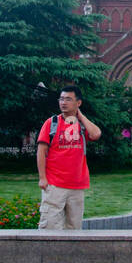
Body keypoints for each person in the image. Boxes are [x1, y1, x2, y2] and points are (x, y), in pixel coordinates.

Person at [37, 85, 102, 230]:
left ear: (78, 103)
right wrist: (42, 178)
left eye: (68, 99)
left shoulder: (82, 125)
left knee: (74, 230)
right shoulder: (51, 123)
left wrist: (80, 116)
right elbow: (41, 151)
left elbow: (96, 134)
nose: (63, 102)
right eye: (61, 99)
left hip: (77, 186)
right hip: (54, 185)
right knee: (50, 228)